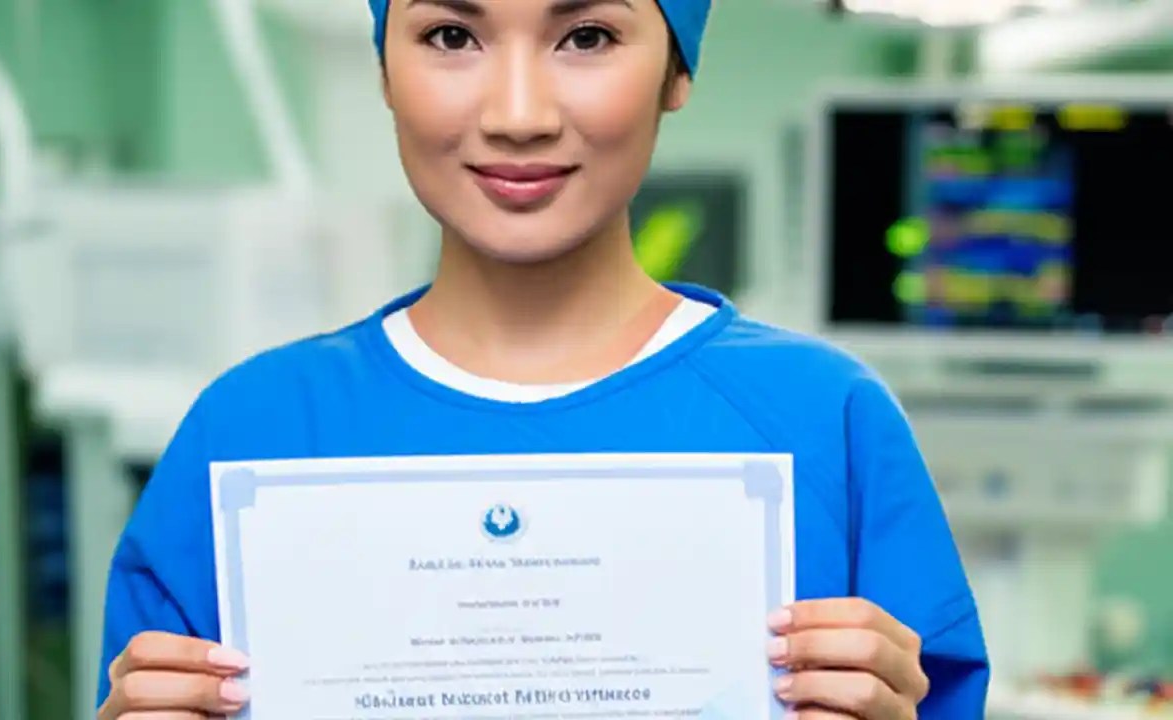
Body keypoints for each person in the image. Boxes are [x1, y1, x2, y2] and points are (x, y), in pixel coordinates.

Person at [95, 0, 990, 718]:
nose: (517, 115)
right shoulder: (254, 430)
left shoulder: (825, 421)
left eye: (587, 37)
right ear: (384, 69)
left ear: (677, 69)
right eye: (451, 35)